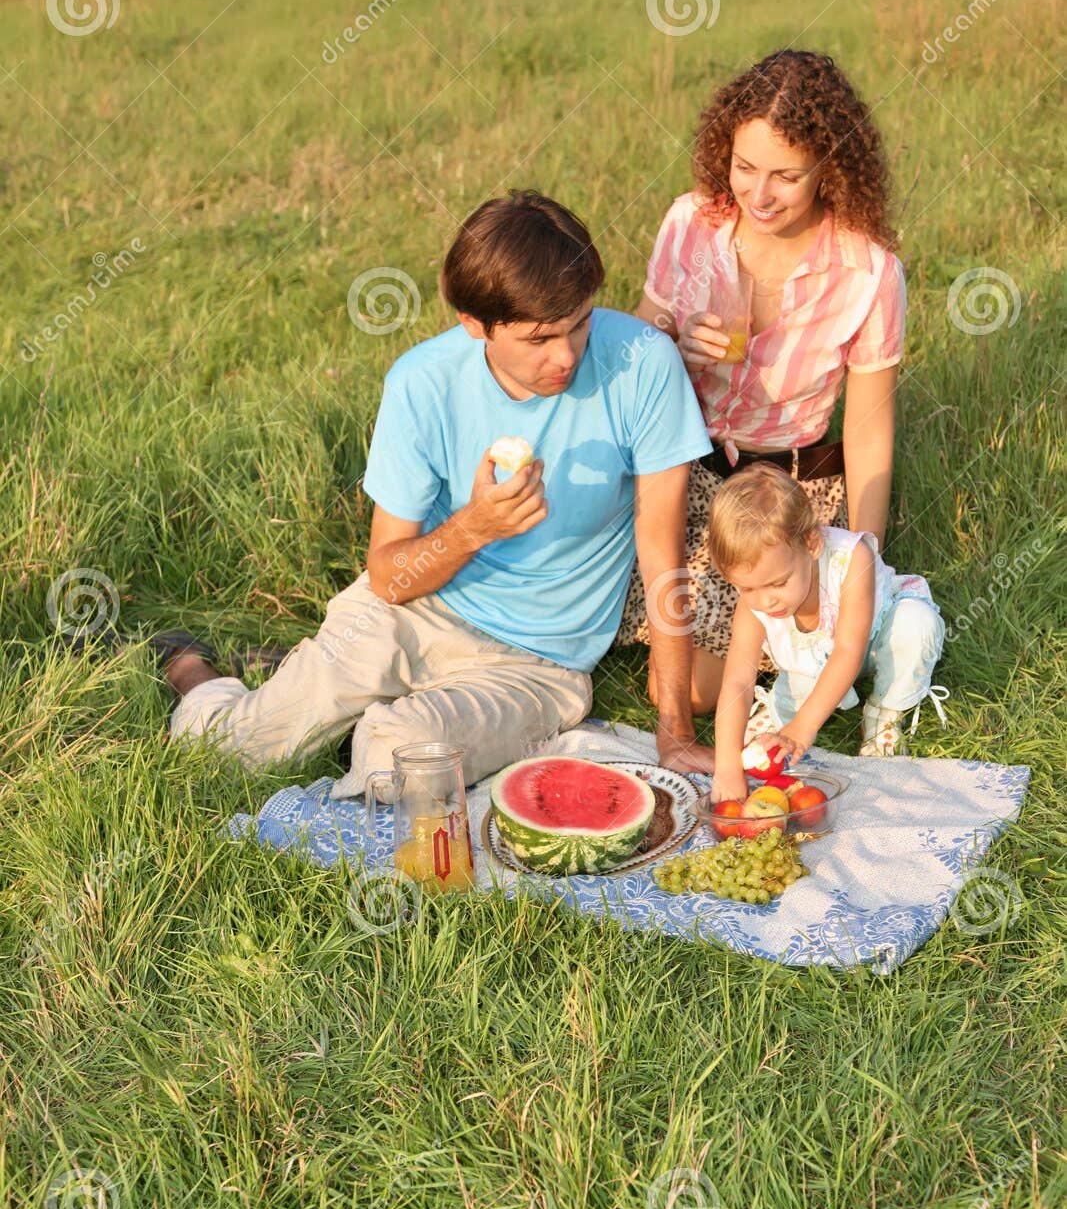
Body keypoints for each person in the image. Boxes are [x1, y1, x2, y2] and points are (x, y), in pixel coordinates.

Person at [164, 191, 715, 795]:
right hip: (413, 612)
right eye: (539, 339)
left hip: (536, 666)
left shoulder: (643, 363)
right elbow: (390, 577)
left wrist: (675, 734)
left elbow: (663, 556)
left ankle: (344, 702)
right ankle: (194, 671)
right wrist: (474, 528)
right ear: (475, 325)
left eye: (581, 324)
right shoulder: (421, 383)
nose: (567, 355)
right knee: (229, 750)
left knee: (403, 764)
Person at [615, 48, 906, 732]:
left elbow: (866, 430)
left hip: (789, 494)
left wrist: (857, 565)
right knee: (679, 687)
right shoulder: (690, 222)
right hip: (689, 478)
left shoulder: (868, 269)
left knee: (716, 679)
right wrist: (670, 347)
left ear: (828, 170)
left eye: (786, 176)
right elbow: (629, 358)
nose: (759, 194)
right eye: (744, 168)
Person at [707, 464, 945, 799]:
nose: (764, 600)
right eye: (747, 589)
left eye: (778, 582)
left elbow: (848, 650)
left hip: (876, 641)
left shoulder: (852, 559)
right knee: (793, 699)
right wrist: (726, 767)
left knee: (915, 625)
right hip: (815, 661)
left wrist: (802, 730)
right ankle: (779, 715)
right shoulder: (757, 597)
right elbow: (736, 680)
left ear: (812, 544)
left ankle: (884, 710)